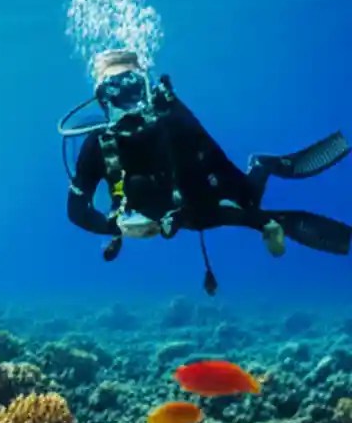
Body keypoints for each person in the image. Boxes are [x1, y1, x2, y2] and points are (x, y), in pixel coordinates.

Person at [62, 49, 350, 288]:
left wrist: (260, 220)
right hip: (162, 211)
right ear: (101, 100)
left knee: (245, 200)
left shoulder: (171, 120)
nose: (124, 102)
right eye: (110, 92)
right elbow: (76, 211)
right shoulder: (98, 145)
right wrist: (117, 228)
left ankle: (263, 164)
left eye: (131, 87)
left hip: (197, 195)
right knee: (143, 191)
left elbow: (216, 170)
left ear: (145, 87)